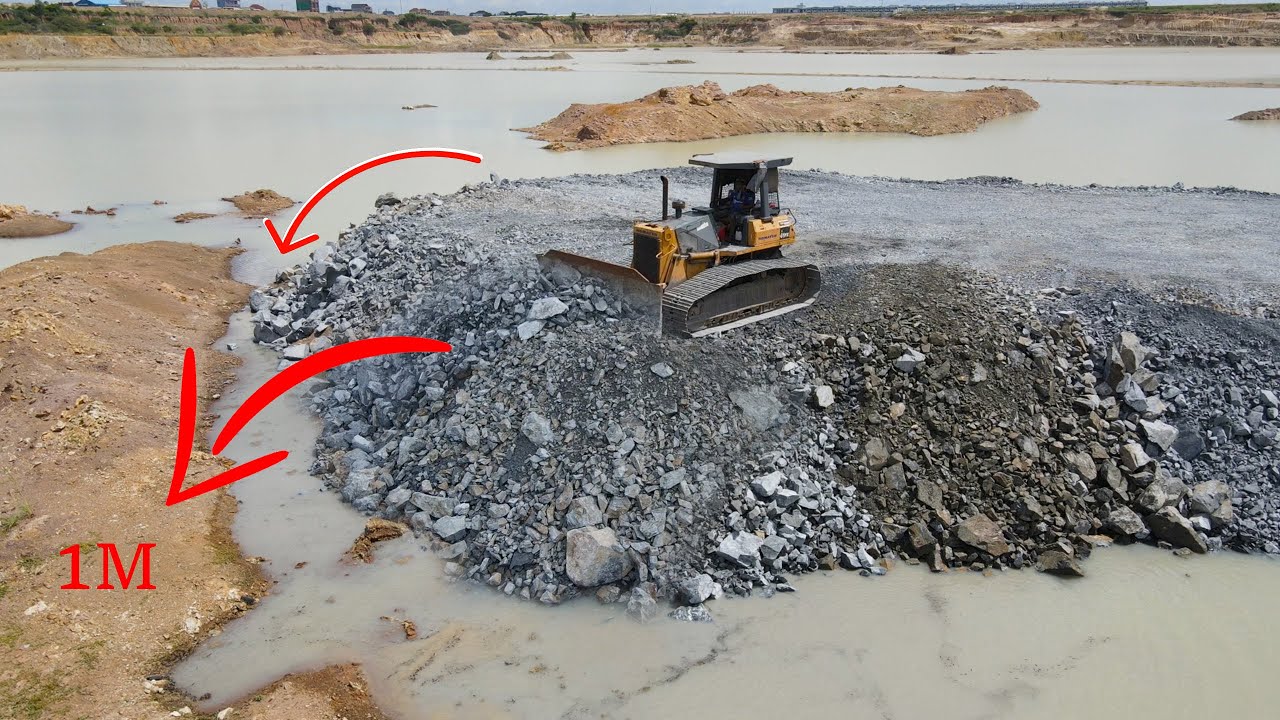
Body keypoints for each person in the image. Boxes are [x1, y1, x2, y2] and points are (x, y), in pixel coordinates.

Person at [727, 178, 756, 243]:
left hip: (743, 213)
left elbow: (750, 205)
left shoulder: (749, 194)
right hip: (732, 211)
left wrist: (742, 206)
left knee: (733, 217)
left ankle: (731, 237)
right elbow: (730, 200)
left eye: (739, 185)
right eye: (736, 184)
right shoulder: (734, 193)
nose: (737, 186)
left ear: (743, 186)